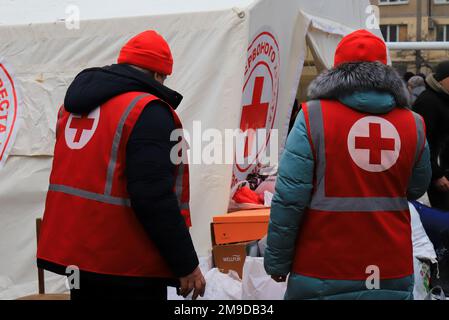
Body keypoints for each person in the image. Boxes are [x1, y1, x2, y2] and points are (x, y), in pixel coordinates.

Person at [36, 30, 206, 300]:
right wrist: (186, 263)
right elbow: (153, 196)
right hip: (124, 265)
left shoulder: (72, 107)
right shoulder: (147, 110)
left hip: (78, 258)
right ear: (159, 75)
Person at [264, 30, 431, 300]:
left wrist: (277, 261)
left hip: (323, 266)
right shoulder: (413, 123)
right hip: (389, 265)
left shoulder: (312, 116)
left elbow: (289, 198)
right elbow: (416, 188)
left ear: (337, 70)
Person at [414, 61, 449, 211]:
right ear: (442, 79)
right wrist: (436, 174)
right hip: (440, 176)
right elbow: (423, 142)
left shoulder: (445, 99)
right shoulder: (428, 101)